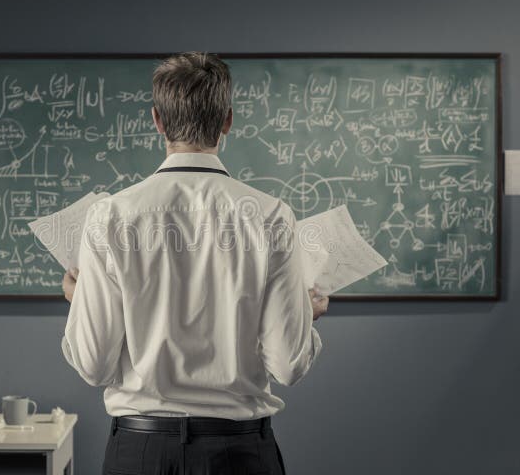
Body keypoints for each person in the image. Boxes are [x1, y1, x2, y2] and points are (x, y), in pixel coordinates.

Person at [61, 51, 328, 475]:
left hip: (139, 451)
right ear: (227, 121)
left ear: (157, 121)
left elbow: (93, 366)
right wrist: (305, 315)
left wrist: (80, 301)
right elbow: (289, 365)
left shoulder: (110, 216)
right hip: (240, 453)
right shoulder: (272, 216)